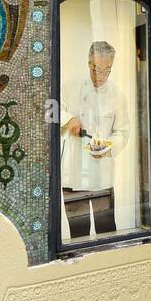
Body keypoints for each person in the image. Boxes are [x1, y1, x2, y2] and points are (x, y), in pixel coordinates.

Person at [60, 40, 129, 240]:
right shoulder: (70, 85)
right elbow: (49, 110)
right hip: (73, 173)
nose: (101, 76)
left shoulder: (117, 94)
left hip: (102, 174)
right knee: (78, 233)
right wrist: (69, 119)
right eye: (96, 69)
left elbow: (123, 132)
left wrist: (108, 147)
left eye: (107, 70)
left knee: (106, 228)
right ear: (88, 63)